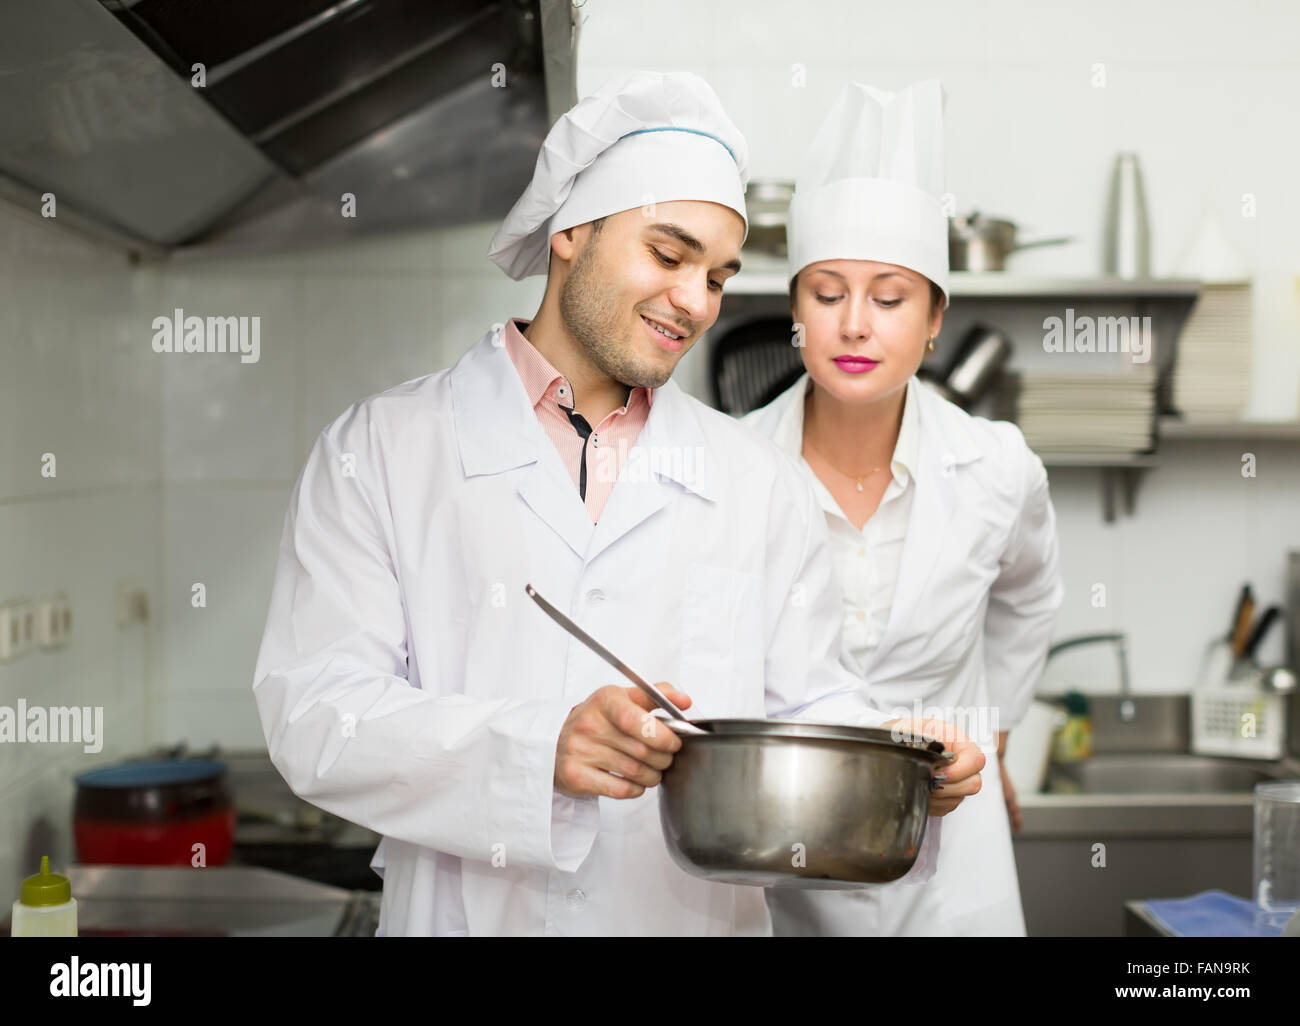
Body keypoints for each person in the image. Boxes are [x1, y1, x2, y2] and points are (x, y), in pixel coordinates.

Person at [252, 71, 983, 937]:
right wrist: (536, 752)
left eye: (716, 276)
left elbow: (803, 705)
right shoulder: (383, 449)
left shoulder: (755, 477)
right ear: (572, 233)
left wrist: (897, 762)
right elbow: (315, 710)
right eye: (669, 256)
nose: (695, 302)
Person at [746, 80, 1064, 936]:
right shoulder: (728, 467)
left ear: (934, 319)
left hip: (952, 862)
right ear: (794, 311)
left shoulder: (995, 468)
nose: (855, 324)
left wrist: (991, 734)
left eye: (889, 298)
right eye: (826, 293)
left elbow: (1030, 596)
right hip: (782, 857)